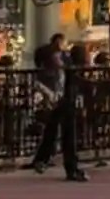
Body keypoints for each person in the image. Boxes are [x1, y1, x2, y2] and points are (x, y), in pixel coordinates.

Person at [25, 41, 86, 182]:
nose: (60, 58)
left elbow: (71, 84)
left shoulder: (65, 70)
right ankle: (59, 164)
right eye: (56, 56)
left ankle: (46, 160)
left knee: (59, 132)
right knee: (58, 132)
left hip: (65, 102)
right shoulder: (46, 74)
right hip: (58, 103)